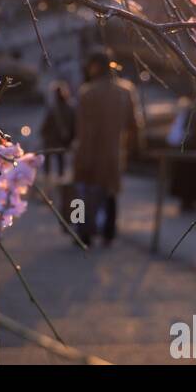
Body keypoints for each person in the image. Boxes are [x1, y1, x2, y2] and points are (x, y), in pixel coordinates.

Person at [72, 50, 144, 246]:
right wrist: (134, 149)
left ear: (95, 66)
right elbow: (135, 125)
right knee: (110, 193)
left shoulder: (87, 92)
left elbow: (79, 127)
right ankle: (109, 232)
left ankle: (82, 231)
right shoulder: (126, 90)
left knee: (83, 194)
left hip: (88, 151)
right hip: (114, 152)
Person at [40, 80, 74, 180]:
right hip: (61, 137)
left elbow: (47, 122)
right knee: (60, 157)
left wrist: (43, 132)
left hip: (53, 137)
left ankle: (48, 175)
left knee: (50, 156)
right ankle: (59, 175)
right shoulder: (69, 107)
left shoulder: (54, 108)